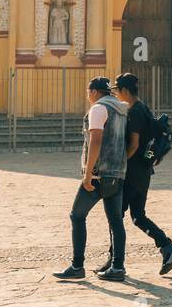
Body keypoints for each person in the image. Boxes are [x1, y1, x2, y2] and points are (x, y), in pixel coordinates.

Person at [107, 72, 172, 278]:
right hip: (144, 172)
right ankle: (167, 247)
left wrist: (119, 162)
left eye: (117, 91)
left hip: (131, 172)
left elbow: (133, 144)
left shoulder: (134, 112)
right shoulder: (144, 108)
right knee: (137, 216)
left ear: (124, 90)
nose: (117, 95)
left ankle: (114, 262)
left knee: (116, 215)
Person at [55, 78, 129, 282]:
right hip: (118, 172)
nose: (88, 95)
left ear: (95, 92)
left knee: (77, 216)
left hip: (98, 174)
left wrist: (88, 174)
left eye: (88, 91)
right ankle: (118, 267)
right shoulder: (122, 110)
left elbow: (96, 139)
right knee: (115, 220)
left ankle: (77, 265)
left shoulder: (98, 109)